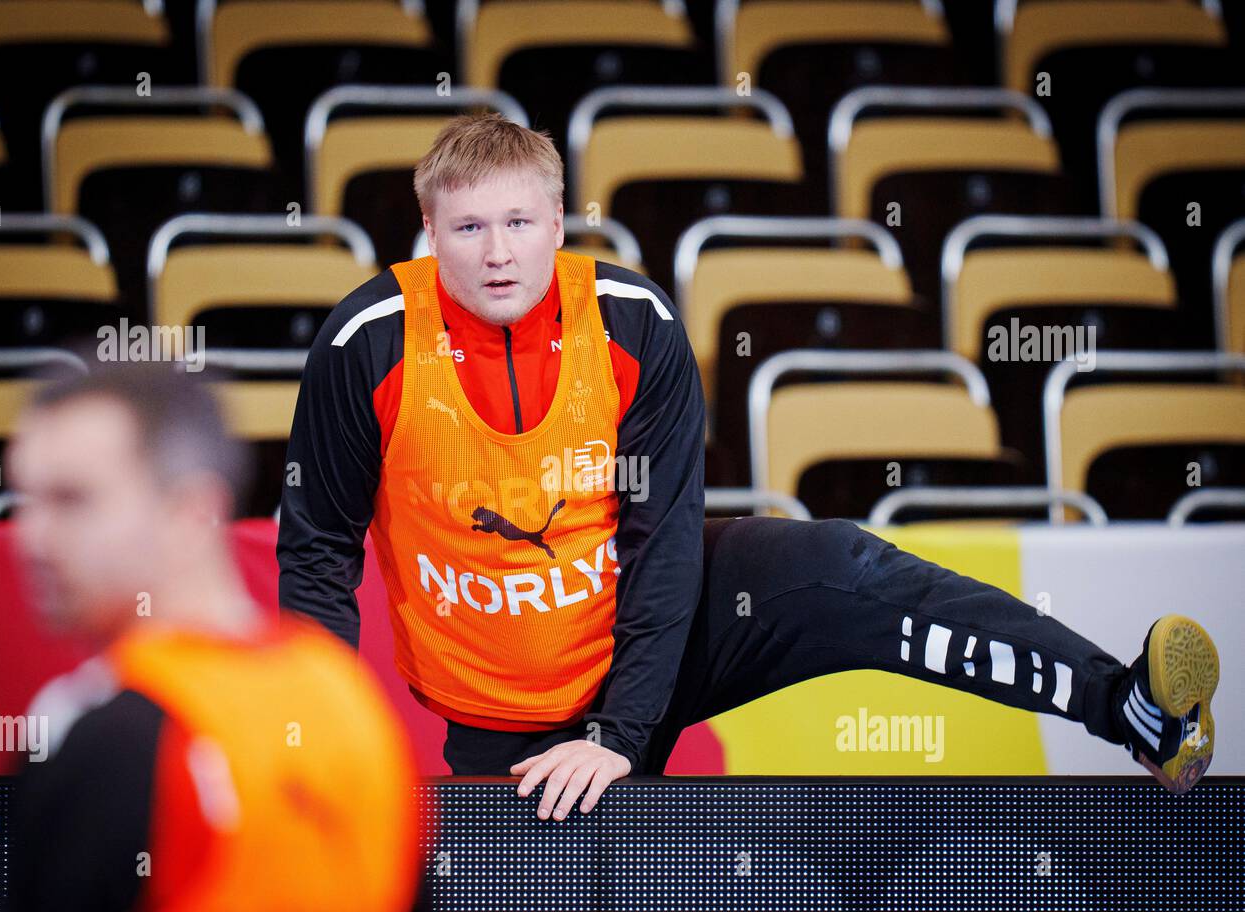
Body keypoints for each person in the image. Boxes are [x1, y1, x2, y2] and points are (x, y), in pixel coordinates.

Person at [277, 112, 1220, 820]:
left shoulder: (633, 323)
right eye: (469, 228)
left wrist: (621, 731)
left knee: (848, 570)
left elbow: (663, 539)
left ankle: (1128, 707)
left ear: (560, 222)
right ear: (428, 233)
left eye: (518, 222)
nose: (496, 253)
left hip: (658, 632)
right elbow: (318, 551)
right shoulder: (369, 344)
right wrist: (317, 746)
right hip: (501, 711)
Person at [0, 363, 430, 912]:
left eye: (73, 500)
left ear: (190, 510)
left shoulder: (104, 732)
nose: (32, 537)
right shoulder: (350, 700)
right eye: (25, 501)